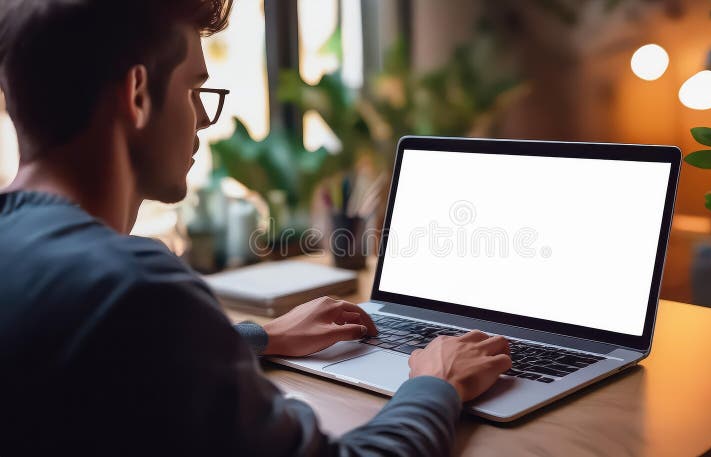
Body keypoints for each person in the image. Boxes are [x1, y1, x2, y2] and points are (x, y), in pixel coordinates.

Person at [0, 1, 512, 455]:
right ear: (136, 94)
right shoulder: (135, 292)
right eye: (195, 89)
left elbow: (108, 367)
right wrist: (436, 384)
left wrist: (253, 337)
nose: (203, 118)